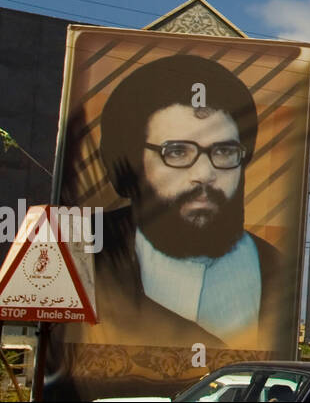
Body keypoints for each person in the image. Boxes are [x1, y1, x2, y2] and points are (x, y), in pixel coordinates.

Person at [90, 54, 284, 346]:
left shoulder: (279, 271)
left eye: (223, 152)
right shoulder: (87, 254)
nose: (205, 174)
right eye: (177, 152)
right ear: (130, 164)